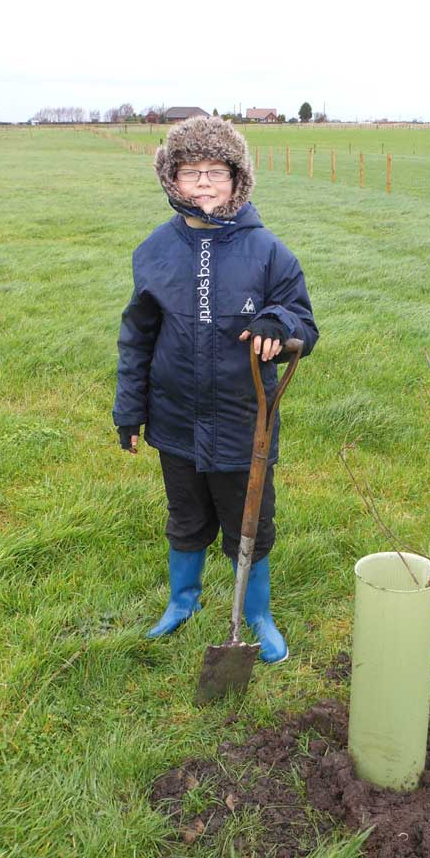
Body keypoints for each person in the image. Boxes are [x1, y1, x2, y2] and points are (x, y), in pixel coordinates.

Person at [112, 116, 318, 664]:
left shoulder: (268, 251)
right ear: (171, 181)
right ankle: (183, 602)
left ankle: (257, 615)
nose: (203, 183)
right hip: (176, 421)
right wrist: (129, 412)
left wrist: (280, 324)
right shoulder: (154, 251)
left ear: (237, 179)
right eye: (190, 172)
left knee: (250, 520)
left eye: (215, 172)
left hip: (243, 421)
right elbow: (136, 339)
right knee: (185, 516)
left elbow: (302, 319)